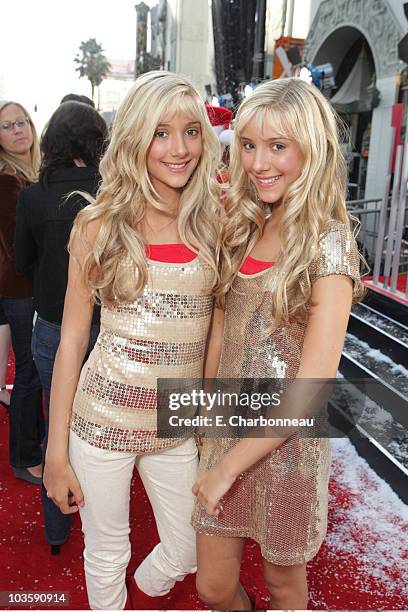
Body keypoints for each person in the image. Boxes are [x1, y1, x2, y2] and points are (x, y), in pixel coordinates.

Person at [43, 71, 221, 610]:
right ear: (134, 139)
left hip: (176, 422)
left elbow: (214, 332)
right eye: (161, 133)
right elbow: (72, 339)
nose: (179, 148)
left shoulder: (215, 220)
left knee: (190, 547)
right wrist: (55, 453)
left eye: (192, 131)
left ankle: (146, 588)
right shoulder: (97, 224)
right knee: (104, 553)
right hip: (101, 419)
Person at [192, 77, 365, 610]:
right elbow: (221, 325)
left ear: (311, 150)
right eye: (248, 145)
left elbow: (311, 387)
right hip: (227, 423)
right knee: (214, 587)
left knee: (283, 584)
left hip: (287, 445)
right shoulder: (245, 223)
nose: (259, 163)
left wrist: (227, 467)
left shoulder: (328, 240)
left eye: (278, 146)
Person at [15, 101, 108, 553]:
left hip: (53, 327)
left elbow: (24, 261)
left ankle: (57, 531)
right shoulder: (113, 191)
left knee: (60, 428)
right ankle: (102, 521)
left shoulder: (33, 196)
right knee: (110, 431)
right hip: (112, 329)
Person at [0, 100, 44, 484]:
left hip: (33, 285)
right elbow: (20, 245)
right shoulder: (6, 178)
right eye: (7, 126)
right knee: (29, 371)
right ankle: (24, 456)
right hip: (20, 287)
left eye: (22, 122)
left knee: (37, 368)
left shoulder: (34, 171)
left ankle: (36, 442)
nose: (18, 130)